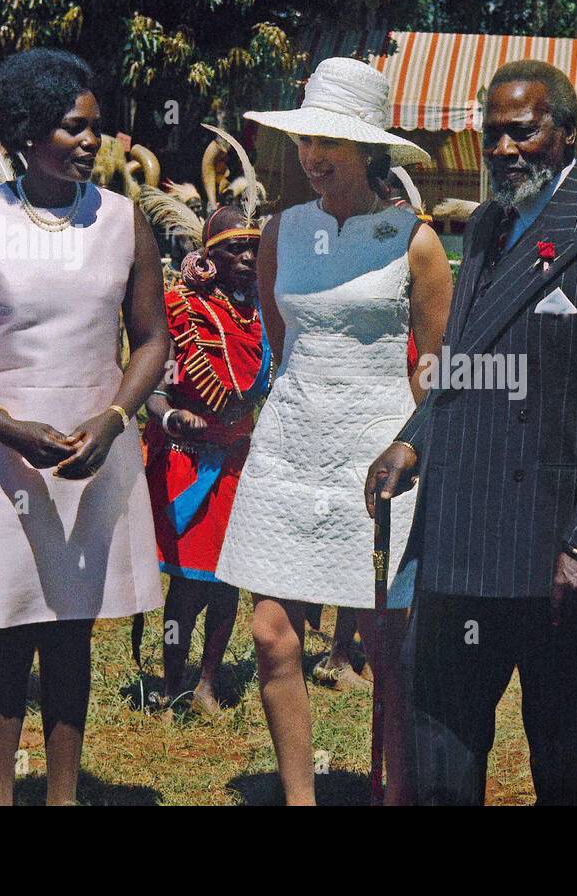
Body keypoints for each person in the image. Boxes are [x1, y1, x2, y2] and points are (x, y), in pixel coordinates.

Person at [366, 59, 577, 806]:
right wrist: (416, 438)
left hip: (558, 555)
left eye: (524, 132)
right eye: (492, 134)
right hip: (461, 537)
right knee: (439, 739)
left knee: (568, 761)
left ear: (566, 135)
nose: (504, 150)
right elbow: (465, 361)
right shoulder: (490, 224)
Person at [0, 49, 169, 806]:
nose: (93, 142)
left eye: (97, 129)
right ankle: (1, 795)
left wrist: (116, 419)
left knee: (69, 628)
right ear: (29, 132)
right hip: (1, 455)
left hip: (93, 450)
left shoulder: (125, 223)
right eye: (73, 128)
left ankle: (62, 796)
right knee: (0, 631)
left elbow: (151, 338)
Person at [215, 56, 451, 806]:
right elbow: (283, 343)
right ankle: (299, 799)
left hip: (380, 456)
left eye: (333, 143)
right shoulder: (281, 232)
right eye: (306, 141)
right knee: (271, 636)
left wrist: (411, 448)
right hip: (289, 448)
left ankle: (397, 791)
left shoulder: (414, 240)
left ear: (369, 149)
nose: (313, 157)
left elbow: (435, 374)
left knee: (388, 643)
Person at [139, 175, 272, 715]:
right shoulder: (181, 311)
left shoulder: (263, 316)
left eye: (253, 248)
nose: (245, 257)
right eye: (233, 249)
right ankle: (173, 684)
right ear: (208, 258)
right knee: (190, 585)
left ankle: (208, 684)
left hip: (239, 461)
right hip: (187, 463)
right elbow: (154, 390)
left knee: (227, 585)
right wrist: (172, 418)